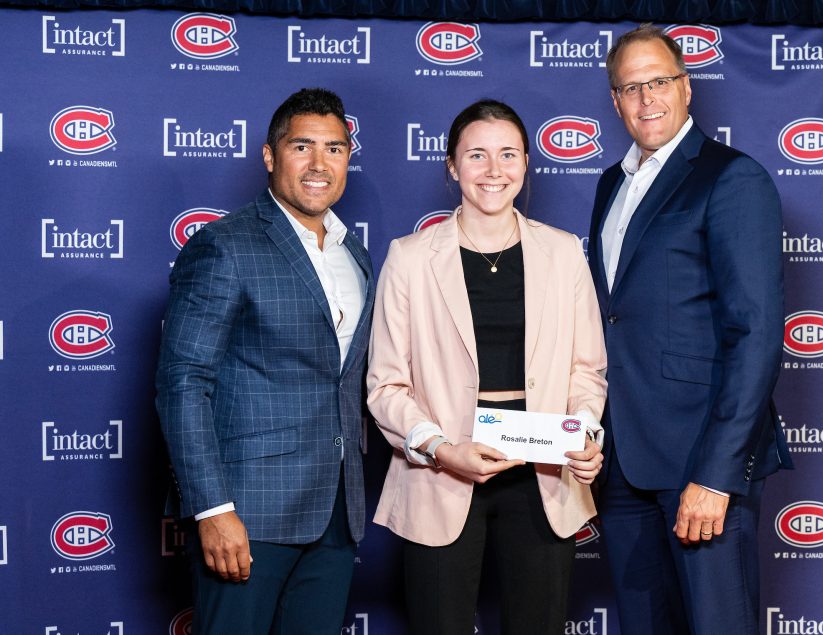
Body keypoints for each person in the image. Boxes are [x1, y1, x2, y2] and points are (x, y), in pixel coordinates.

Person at [367, 99, 607, 635]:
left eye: (507, 155)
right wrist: (441, 448)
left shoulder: (564, 253)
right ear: (452, 167)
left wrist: (585, 433)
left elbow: (587, 371)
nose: (493, 171)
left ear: (526, 163)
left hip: (544, 477)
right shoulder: (409, 257)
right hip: (440, 475)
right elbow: (386, 384)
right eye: (476, 155)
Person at [587, 24, 793, 634]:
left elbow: (755, 333)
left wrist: (717, 473)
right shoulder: (610, 185)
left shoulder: (732, 178)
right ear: (615, 101)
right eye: (630, 88)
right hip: (623, 459)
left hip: (699, 461)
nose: (647, 99)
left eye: (660, 82)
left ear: (687, 87)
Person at [155, 88, 373, 634]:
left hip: (336, 514)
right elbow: (184, 384)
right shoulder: (225, 246)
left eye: (335, 148)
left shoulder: (356, 255)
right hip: (248, 514)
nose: (320, 164)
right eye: (303, 146)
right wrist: (212, 509)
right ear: (271, 156)